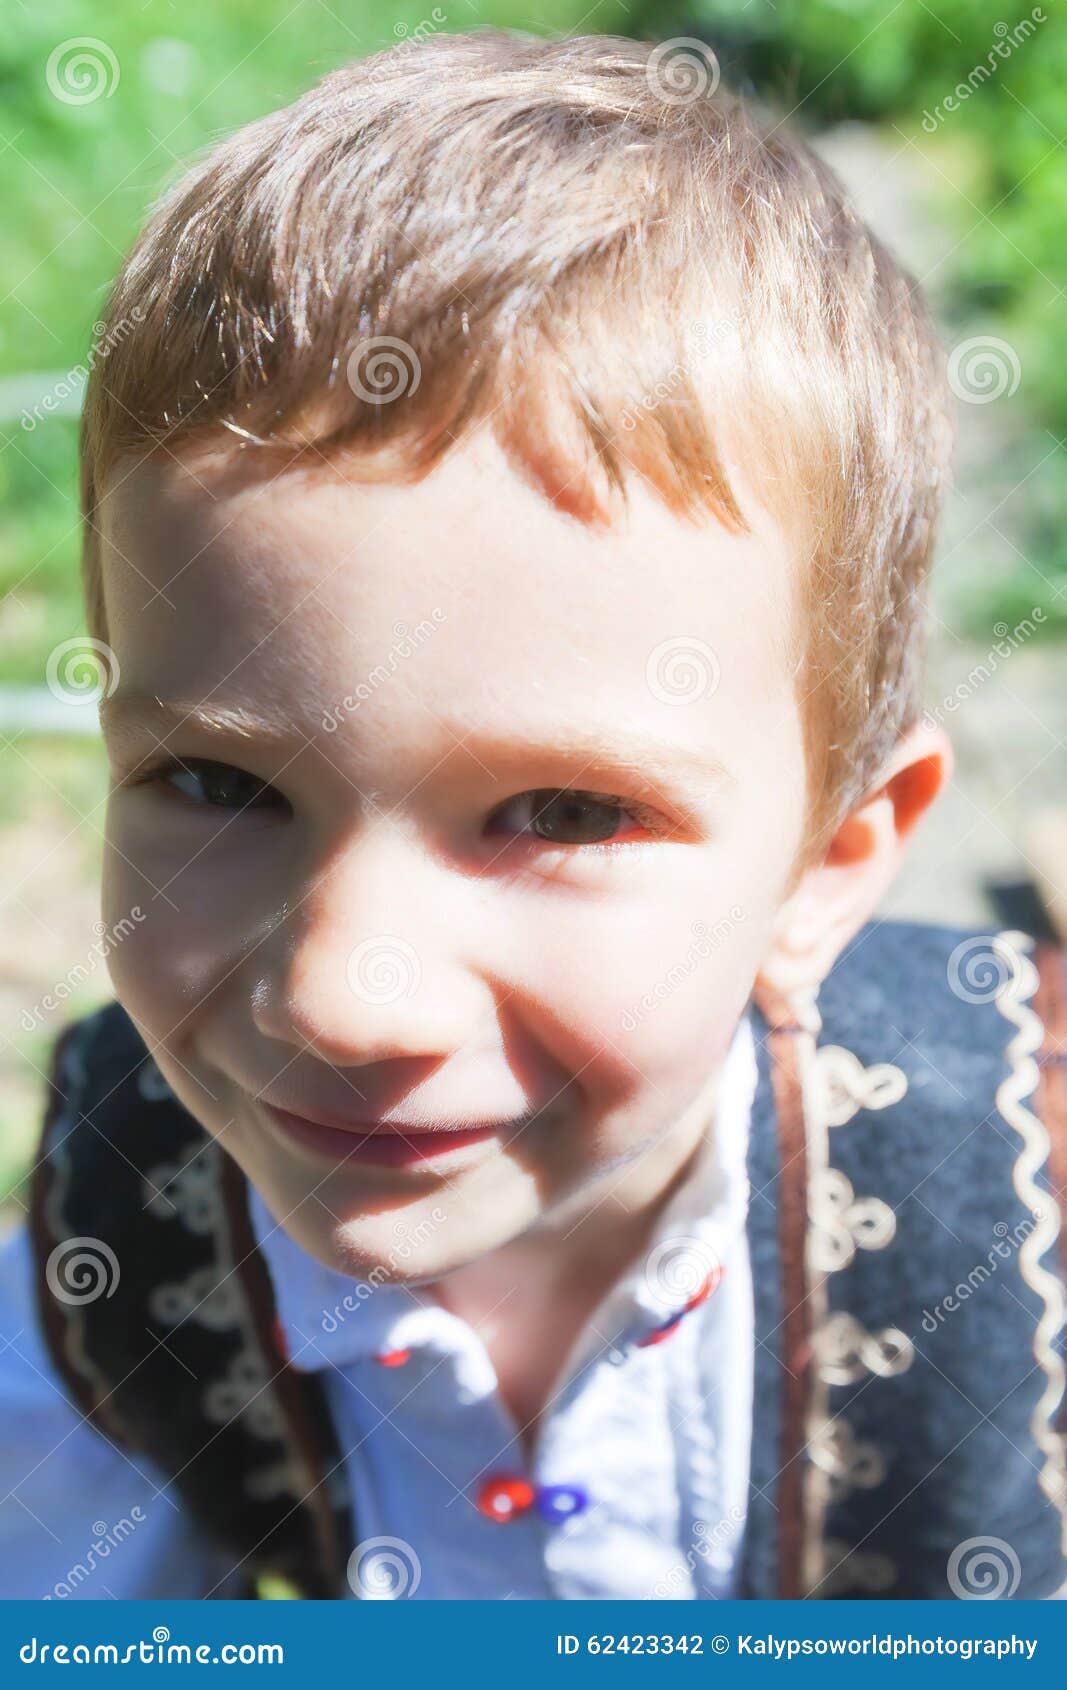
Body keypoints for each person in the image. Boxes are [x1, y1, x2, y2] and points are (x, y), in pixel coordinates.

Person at [3, 29, 1065, 1601]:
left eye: (562, 810)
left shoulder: (1022, 1238)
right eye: (221, 783)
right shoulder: (118, 1235)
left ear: (832, 857)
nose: (340, 994)